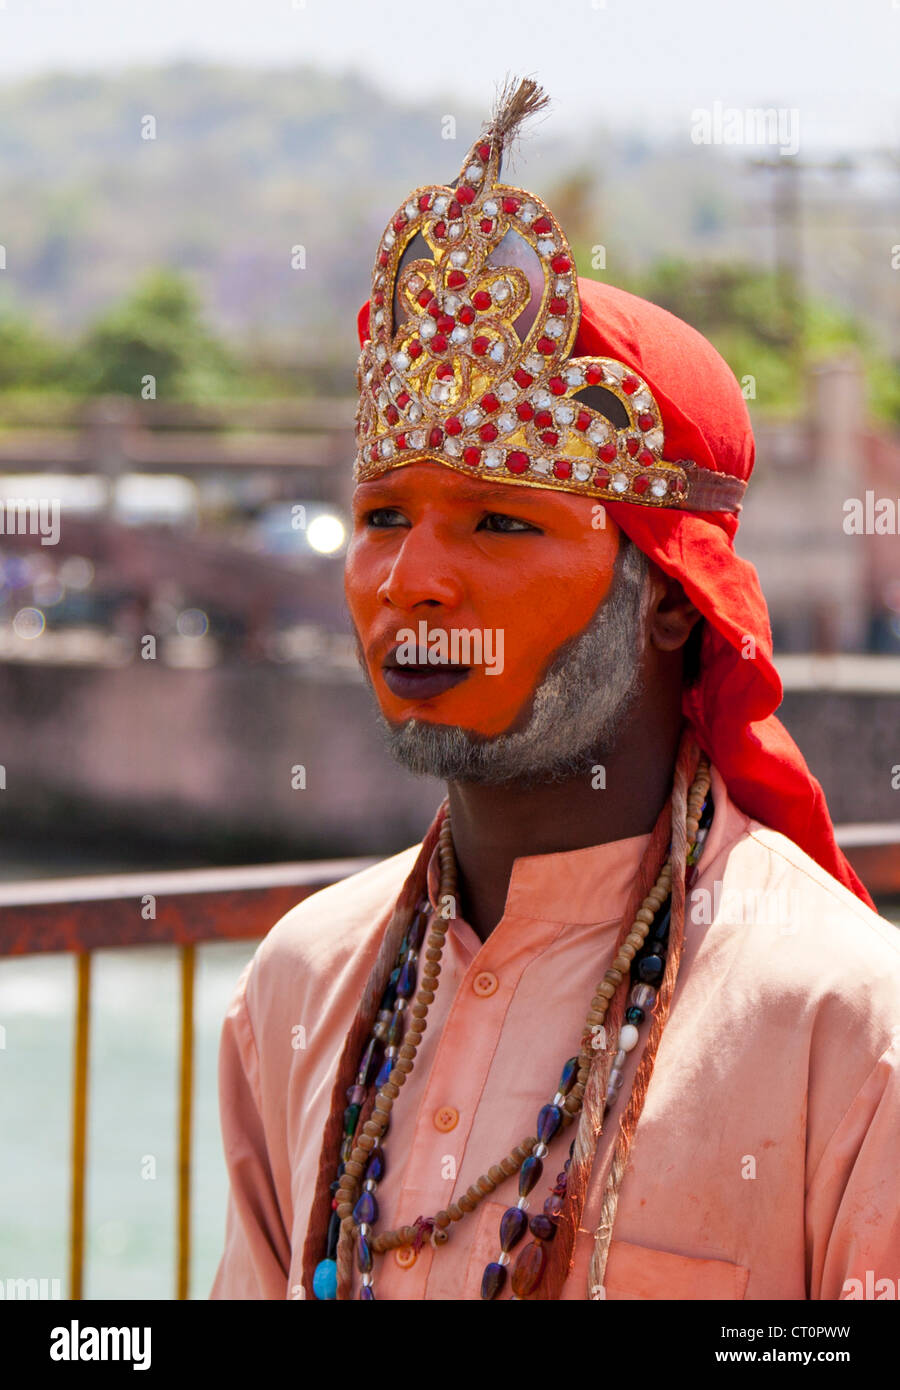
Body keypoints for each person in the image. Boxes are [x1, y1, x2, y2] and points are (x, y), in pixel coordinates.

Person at [210, 80, 900, 1301]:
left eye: (497, 521)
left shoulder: (846, 1021)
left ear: (674, 594)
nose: (411, 581)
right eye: (380, 516)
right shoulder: (302, 983)